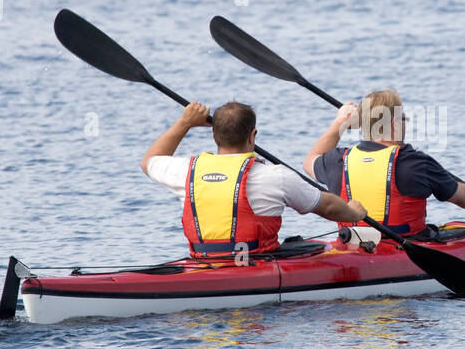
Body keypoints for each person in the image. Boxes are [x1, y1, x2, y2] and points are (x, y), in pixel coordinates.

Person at [142, 101, 366, 259]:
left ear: (213, 135)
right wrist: (352, 212)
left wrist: (184, 123)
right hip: (256, 265)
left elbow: (150, 161)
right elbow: (325, 205)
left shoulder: (185, 171)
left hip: (203, 262)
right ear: (252, 135)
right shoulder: (275, 176)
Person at [304, 90, 465, 239]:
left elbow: (309, 160)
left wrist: (339, 123)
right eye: (404, 118)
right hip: (405, 247)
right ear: (395, 123)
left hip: (353, 245)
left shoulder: (337, 160)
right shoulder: (415, 163)